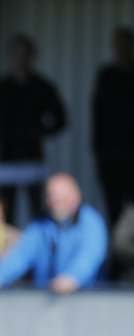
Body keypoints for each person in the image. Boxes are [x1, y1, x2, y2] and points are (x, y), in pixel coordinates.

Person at [0, 173, 108, 294]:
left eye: (61, 197)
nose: (54, 202)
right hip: (47, 301)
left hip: (86, 299)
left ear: (76, 197)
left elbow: (89, 255)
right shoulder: (41, 224)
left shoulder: (90, 221)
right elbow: (21, 254)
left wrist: (72, 278)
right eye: (51, 197)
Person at [0, 34, 67, 227]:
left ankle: (39, 251)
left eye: (25, 54)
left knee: (37, 211)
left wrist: (39, 131)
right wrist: (2, 134)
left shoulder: (42, 86)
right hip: (6, 156)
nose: (21, 59)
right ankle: (6, 251)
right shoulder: (0, 88)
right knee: (5, 211)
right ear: (10, 56)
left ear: (31, 56)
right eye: (17, 54)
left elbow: (61, 119)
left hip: (32, 155)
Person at [92, 27, 134, 229]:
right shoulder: (106, 76)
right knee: (113, 209)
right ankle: (117, 258)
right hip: (110, 156)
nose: (122, 50)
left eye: (126, 45)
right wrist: (99, 151)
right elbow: (97, 114)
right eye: (118, 46)